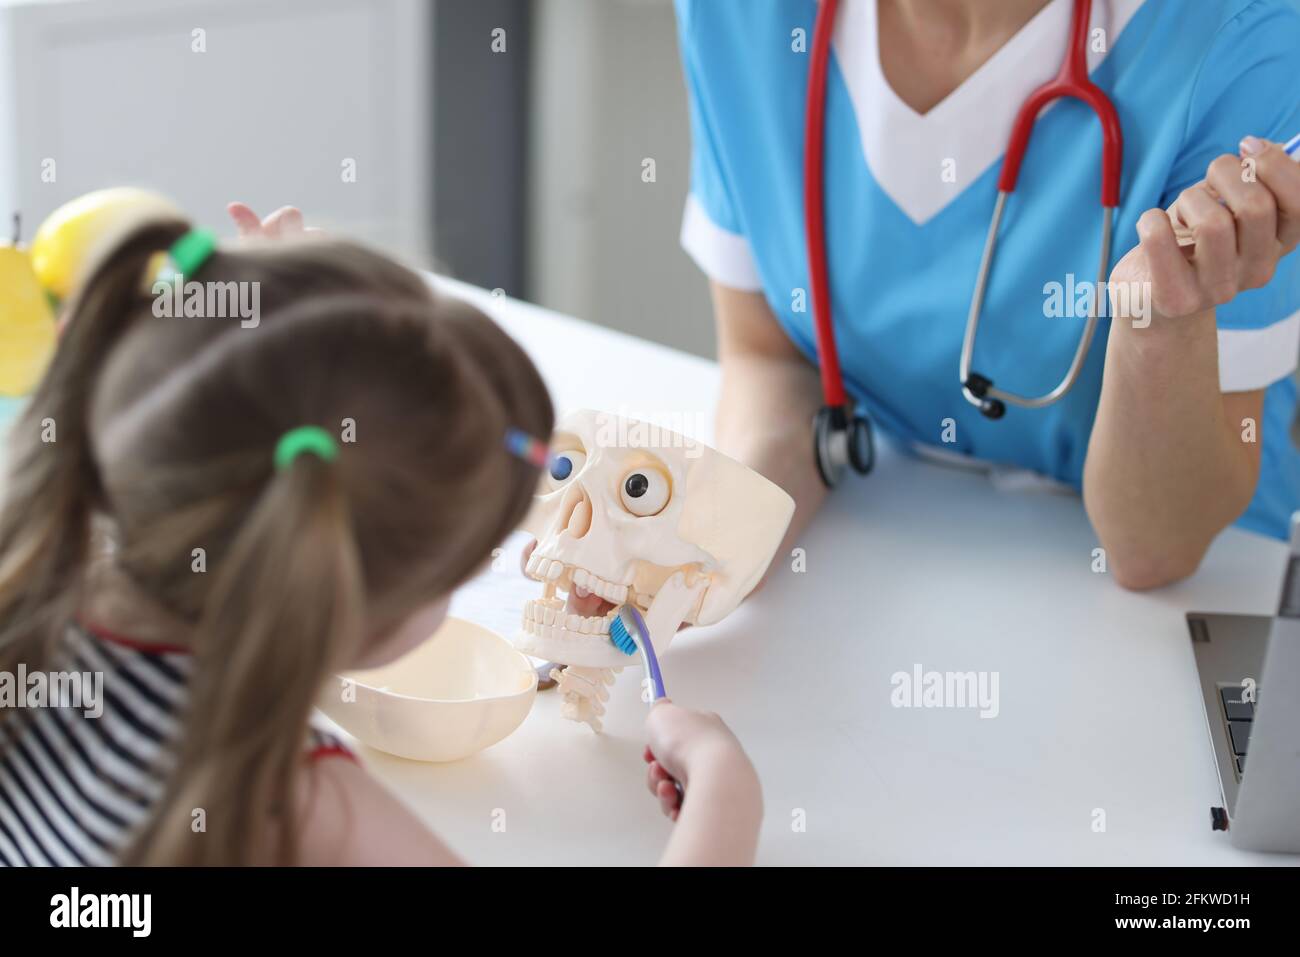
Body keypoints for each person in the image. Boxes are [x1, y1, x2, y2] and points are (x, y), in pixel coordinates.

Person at [0, 211, 762, 866]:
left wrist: (280, 341)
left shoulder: (30, 586)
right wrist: (723, 802)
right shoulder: (302, 807)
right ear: (340, 584)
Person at [675, 0, 1300, 589]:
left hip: (1197, 604)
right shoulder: (741, 17)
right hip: (885, 550)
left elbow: (1157, 549)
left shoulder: (1246, 36)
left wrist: (1160, 321)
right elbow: (772, 362)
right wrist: (695, 553)